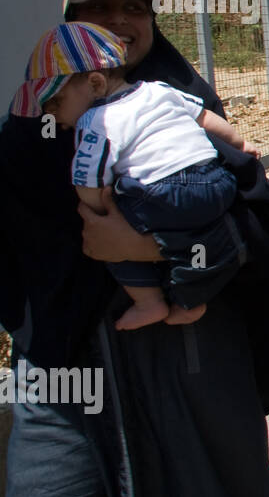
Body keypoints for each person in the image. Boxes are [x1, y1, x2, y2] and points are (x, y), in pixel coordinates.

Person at [1, 0, 269, 497]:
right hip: (66, 373)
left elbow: (260, 230)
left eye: (133, 7)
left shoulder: (179, 101)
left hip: (188, 361)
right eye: (96, 9)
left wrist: (150, 247)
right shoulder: (32, 126)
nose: (118, 21)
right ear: (70, 24)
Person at [18, 22, 251, 331]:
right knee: (195, 233)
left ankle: (151, 301)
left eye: (56, 102)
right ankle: (193, 288)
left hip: (166, 194)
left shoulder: (95, 120)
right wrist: (240, 144)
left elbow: (88, 180)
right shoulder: (158, 89)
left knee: (109, 239)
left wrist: (99, 214)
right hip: (217, 181)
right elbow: (207, 118)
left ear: (96, 83)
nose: (54, 115)